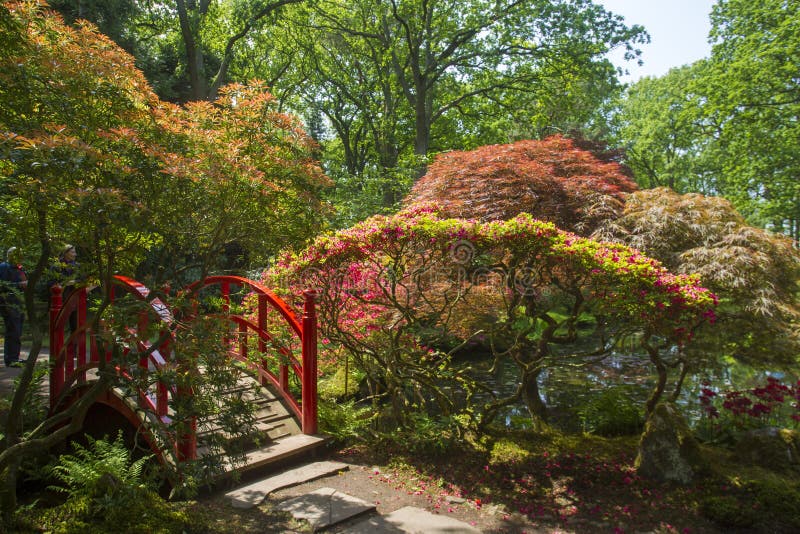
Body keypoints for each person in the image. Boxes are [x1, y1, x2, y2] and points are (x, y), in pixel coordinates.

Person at [0, 247, 28, 367]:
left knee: (17, 330)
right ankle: (11, 359)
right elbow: (2, 285)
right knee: (13, 330)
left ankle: (14, 357)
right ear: (10, 255)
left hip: (19, 303)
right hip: (8, 302)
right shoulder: (4, 267)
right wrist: (19, 285)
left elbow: (25, 283)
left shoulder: (20, 268)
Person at [48, 244, 83, 332]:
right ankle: (58, 345)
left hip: (74, 299)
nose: (75, 254)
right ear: (65, 253)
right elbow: (50, 283)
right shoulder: (56, 266)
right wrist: (64, 283)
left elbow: (83, 280)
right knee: (58, 326)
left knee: (75, 327)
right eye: (73, 252)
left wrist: (75, 282)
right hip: (60, 301)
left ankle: (73, 346)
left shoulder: (78, 266)